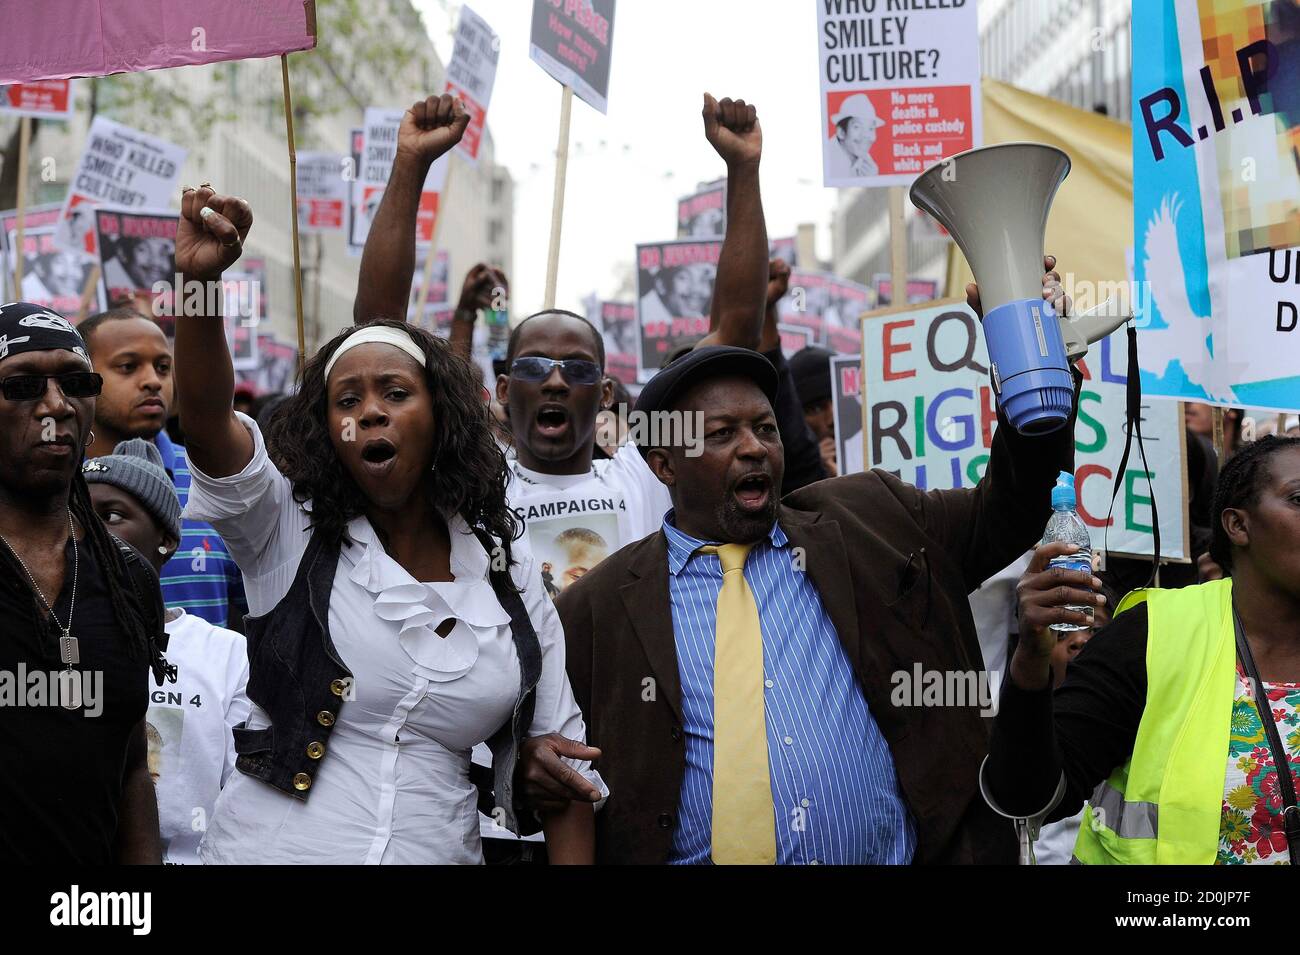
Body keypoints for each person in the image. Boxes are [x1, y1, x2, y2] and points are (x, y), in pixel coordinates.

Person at [530, 253, 1079, 863]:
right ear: (662, 464)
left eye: (765, 428)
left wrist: (1028, 350)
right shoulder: (593, 611)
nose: (753, 449)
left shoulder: (874, 516)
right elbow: (542, 759)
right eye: (721, 435)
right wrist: (531, 765)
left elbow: (1013, 508)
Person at [170, 174, 602, 864]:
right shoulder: (285, 529)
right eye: (347, 400)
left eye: (394, 393)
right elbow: (205, 424)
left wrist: (532, 761)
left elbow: (568, 771)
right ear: (326, 428)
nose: (368, 412)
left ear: (443, 419)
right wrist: (198, 287)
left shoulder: (509, 579)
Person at [983, 435, 1300, 865]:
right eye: (1298, 498)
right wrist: (1032, 658)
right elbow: (1029, 796)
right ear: (1238, 525)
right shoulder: (1153, 636)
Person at [0, 301, 169, 864]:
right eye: (22, 386)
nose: (55, 405)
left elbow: (129, 766)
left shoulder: (127, 579)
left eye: (75, 382)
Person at [83, 438, 250, 865]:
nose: (89, 537)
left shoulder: (227, 655)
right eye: (77, 520)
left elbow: (246, 801)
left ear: (167, 540)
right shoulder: (52, 646)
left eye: (113, 517)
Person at [79, 306, 248, 629]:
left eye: (163, 367)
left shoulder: (214, 480)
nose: (153, 381)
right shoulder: (54, 486)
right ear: (82, 380)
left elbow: (264, 614)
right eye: (128, 367)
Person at [826, 93, 884, 180]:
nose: (866, 135)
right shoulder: (828, 161)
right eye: (857, 127)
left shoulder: (862, 159)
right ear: (841, 132)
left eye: (871, 128)